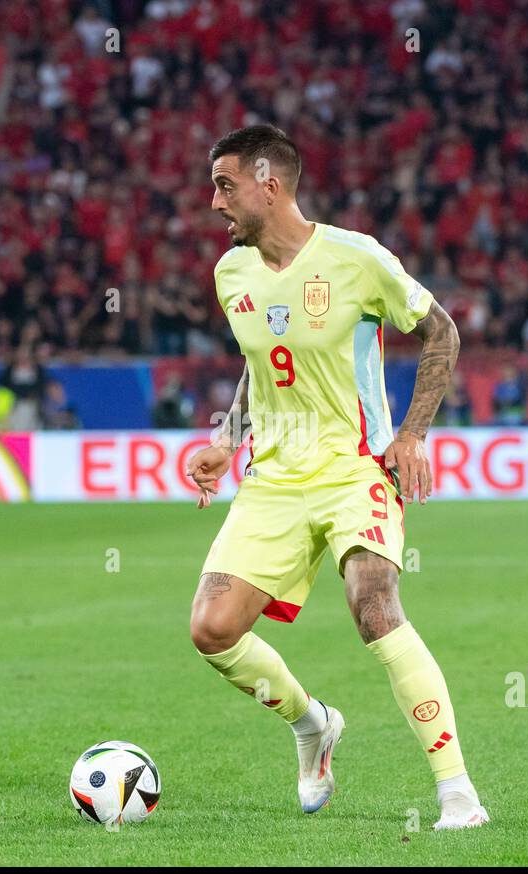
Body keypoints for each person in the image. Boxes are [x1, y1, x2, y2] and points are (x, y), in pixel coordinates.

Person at [183, 125, 487, 830]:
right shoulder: (233, 273)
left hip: (356, 469)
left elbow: (441, 330)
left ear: (271, 183)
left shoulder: (356, 259)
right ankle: (313, 723)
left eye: (224, 184)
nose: (212, 202)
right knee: (211, 629)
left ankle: (457, 794)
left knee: (373, 603)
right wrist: (226, 440)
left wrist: (412, 433)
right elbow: (261, 365)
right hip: (274, 479)